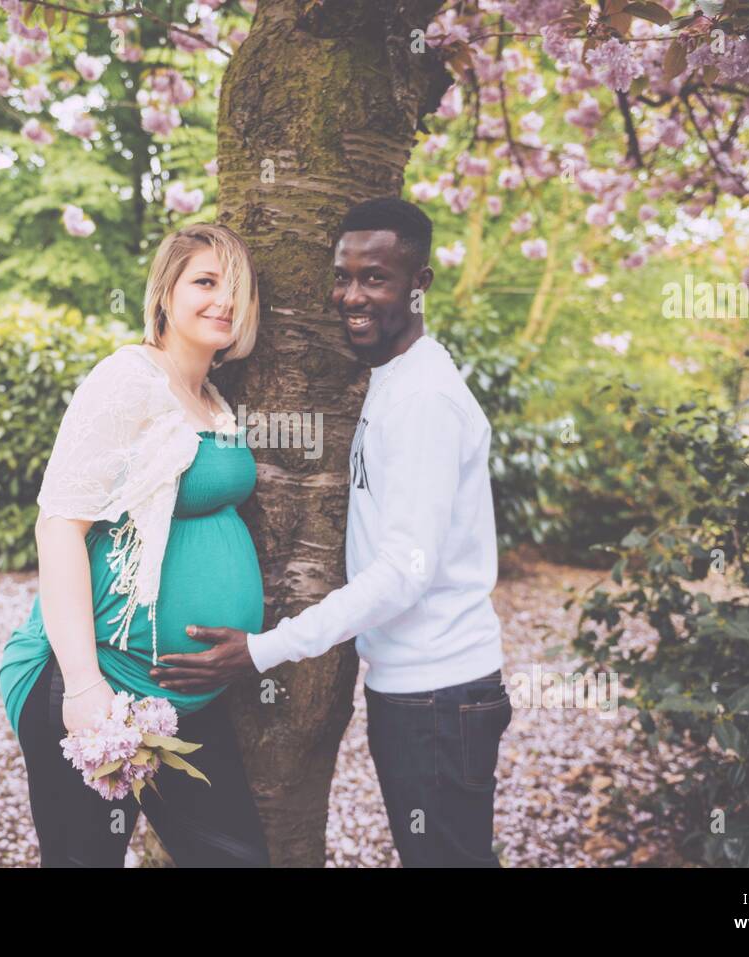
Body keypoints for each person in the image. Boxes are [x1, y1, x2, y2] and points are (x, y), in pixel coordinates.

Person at [151, 197, 512, 867]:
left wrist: (264, 649)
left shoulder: (425, 398)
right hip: (415, 690)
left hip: (437, 695)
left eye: (375, 277)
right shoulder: (393, 377)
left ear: (420, 283)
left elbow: (405, 570)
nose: (352, 295)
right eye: (343, 276)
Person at [0, 223, 270, 867]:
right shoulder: (126, 381)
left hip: (184, 697)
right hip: (101, 680)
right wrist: (85, 691)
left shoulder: (212, 398)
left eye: (236, 287)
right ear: (164, 293)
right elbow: (59, 525)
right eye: (205, 281)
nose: (223, 299)